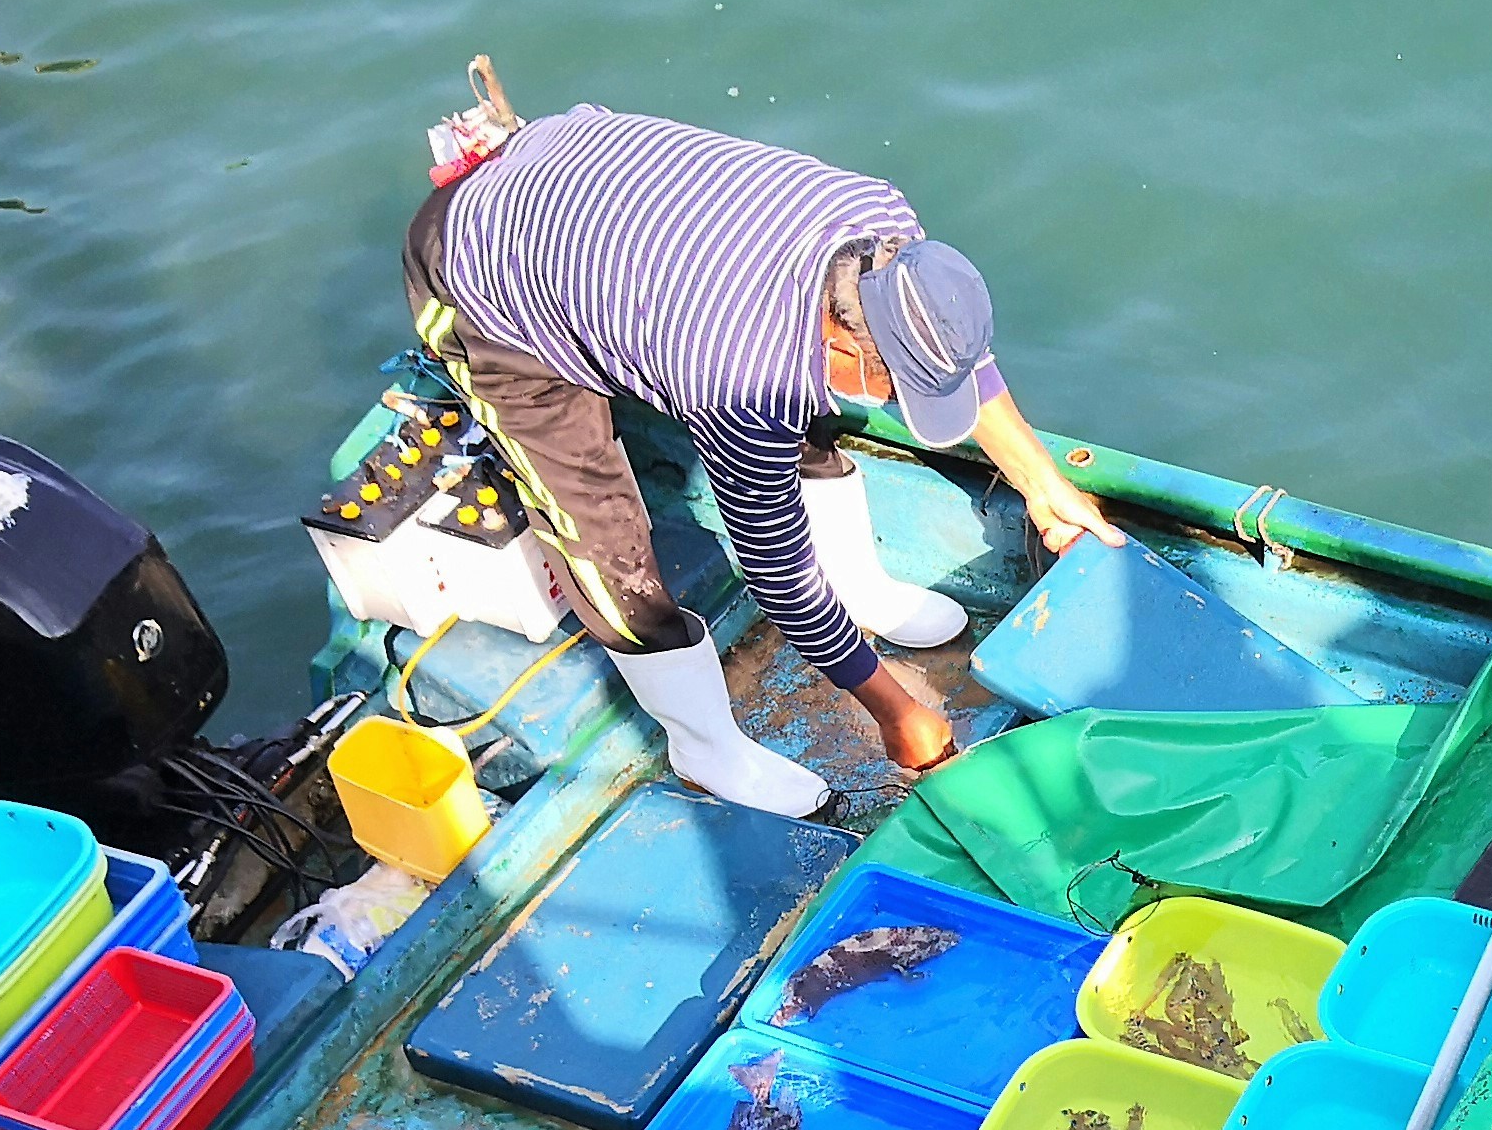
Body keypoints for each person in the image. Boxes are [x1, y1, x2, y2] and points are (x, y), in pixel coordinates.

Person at [403, 99, 1122, 818]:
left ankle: (858, 587)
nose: (905, 404)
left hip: (604, 203)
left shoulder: (884, 228)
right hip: (483, 275)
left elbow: (947, 349)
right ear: (841, 340)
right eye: (901, 390)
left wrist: (1041, 482)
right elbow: (775, 570)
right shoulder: (737, 375)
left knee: (803, 405)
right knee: (602, 538)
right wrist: (892, 707)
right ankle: (704, 745)